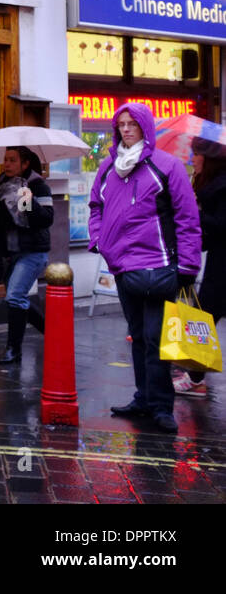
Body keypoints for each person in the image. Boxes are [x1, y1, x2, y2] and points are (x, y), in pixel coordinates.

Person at [90, 103, 202, 433]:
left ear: (145, 127)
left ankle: (161, 407)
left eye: (132, 124)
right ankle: (143, 398)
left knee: (156, 340)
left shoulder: (167, 166)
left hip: (161, 267)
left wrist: (189, 265)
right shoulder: (109, 167)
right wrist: (99, 240)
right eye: (121, 124)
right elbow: (96, 204)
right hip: (125, 268)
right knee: (138, 337)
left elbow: (187, 217)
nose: (126, 130)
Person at [0, 145, 53, 365]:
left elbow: (45, 220)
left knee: (14, 296)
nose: (7, 164)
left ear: (25, 163)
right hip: (9, 254)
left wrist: (27, 200)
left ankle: (13, 350)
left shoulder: (37, 185)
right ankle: (53, 334)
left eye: (13, 160)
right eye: (5, 159)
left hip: (32, 252)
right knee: (18, 298)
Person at [176, 139, 226, 398]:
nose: (192, 159)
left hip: (222, 268)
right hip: (219, 262)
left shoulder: (222, 187)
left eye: (196, 155)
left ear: (209, 159)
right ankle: (195, 376)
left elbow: (221, 225)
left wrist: (196, 212)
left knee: (203, 317)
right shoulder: (211, 186)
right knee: (204, 316)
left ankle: (195, 379)